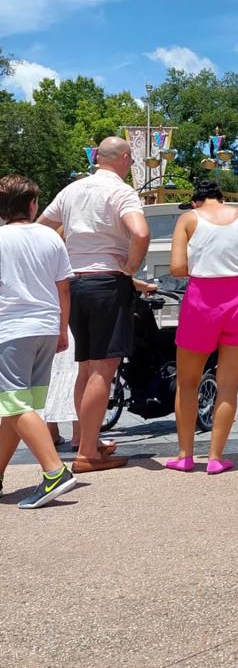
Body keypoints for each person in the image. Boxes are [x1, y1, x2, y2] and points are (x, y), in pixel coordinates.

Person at [38, 136, 150, 473]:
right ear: (126, 158)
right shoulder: (121, 191)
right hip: (107, 282)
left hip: (75, 283)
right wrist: (129, 269)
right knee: (104, 367)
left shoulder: (71, 190)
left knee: (85, 366)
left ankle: (89, 440)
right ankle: (87, 452)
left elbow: (42, 228)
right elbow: (141, 233)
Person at [166, 178, 238, 474]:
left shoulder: (188, 219)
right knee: (228, 384)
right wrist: (236, 266)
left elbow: (176, 267)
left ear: (196, 201)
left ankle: (185, 455)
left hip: (202, 299)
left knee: (187, 382)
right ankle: (215, 457)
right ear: (221, 198)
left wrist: (205, 266)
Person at [0, 175, 78, 508]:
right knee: (18, 408)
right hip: (46, 328)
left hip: (11, 328)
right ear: (32, 205)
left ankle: (54, 471)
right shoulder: (51, 237)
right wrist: (62, 330)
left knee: (14, 404)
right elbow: (63, 288)